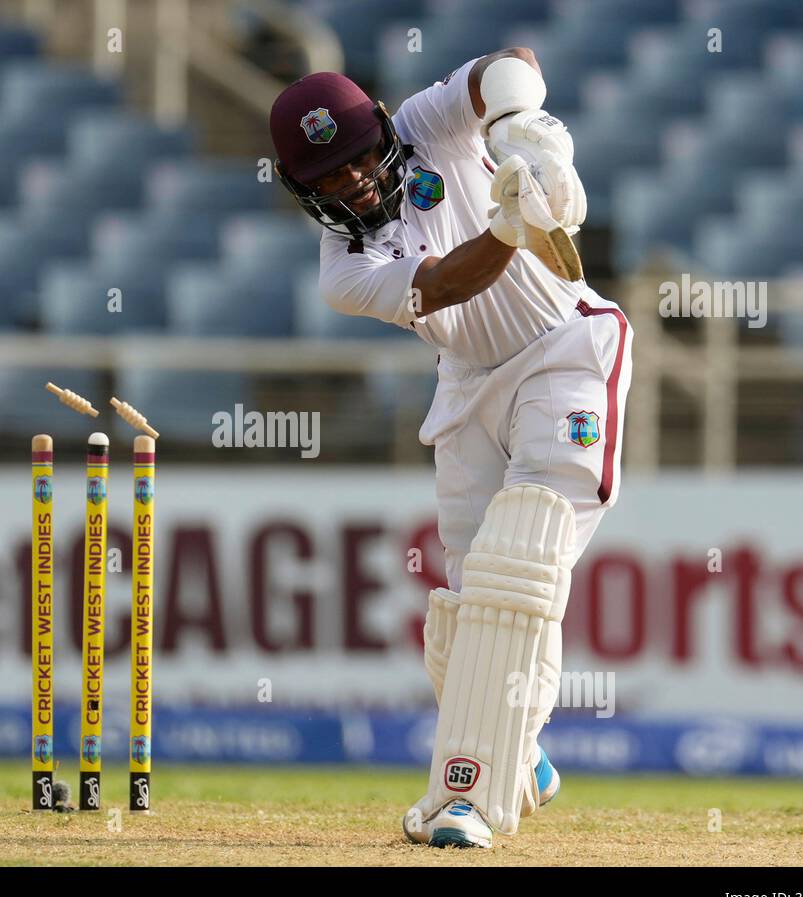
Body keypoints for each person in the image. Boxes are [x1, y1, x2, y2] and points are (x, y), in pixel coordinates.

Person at [269, 48, 632, 849]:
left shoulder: (426, 125)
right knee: (466, 620)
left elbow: (509, 62)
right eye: (328, 176)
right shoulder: (345, 269)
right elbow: (446, 284)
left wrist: (525, 131)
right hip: (469, 386)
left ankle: (467, 798)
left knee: (520, 561)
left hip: (566, 350)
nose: (353, 180)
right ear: (303, 190)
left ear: (381, 130)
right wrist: (511, 224)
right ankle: (521, 757)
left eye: (358, 156)